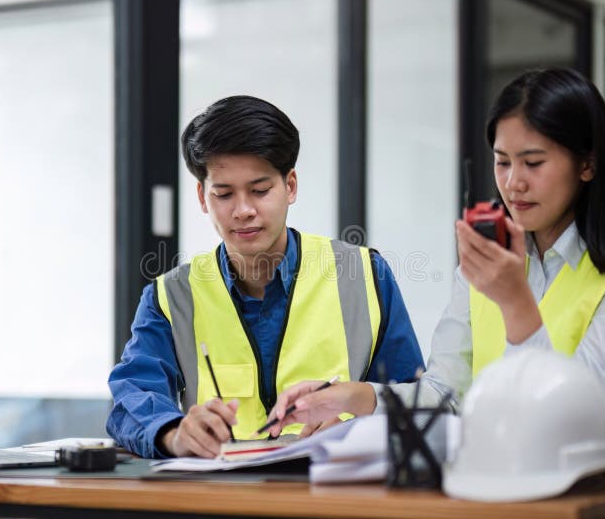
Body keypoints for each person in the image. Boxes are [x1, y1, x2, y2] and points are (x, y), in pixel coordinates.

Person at [266, 68, 605, 465]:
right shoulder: (485, 267)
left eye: (534, 163)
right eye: (503, 161)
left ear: (587, 164)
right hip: (514, 486)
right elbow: (445, 393)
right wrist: (350, 397)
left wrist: (514, 301)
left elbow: (570, 415)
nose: (513, 183)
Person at [106, 95, 423, 458]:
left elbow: (415, 401)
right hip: (218, 502)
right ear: (202, 196)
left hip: (334, 496)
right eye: (224, 194)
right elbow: (130, 399)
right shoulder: (171, 297)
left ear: (290, 186)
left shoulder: (366, 276)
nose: (243, 210)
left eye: (260, 191)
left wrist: (360, 426)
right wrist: (172, 432)